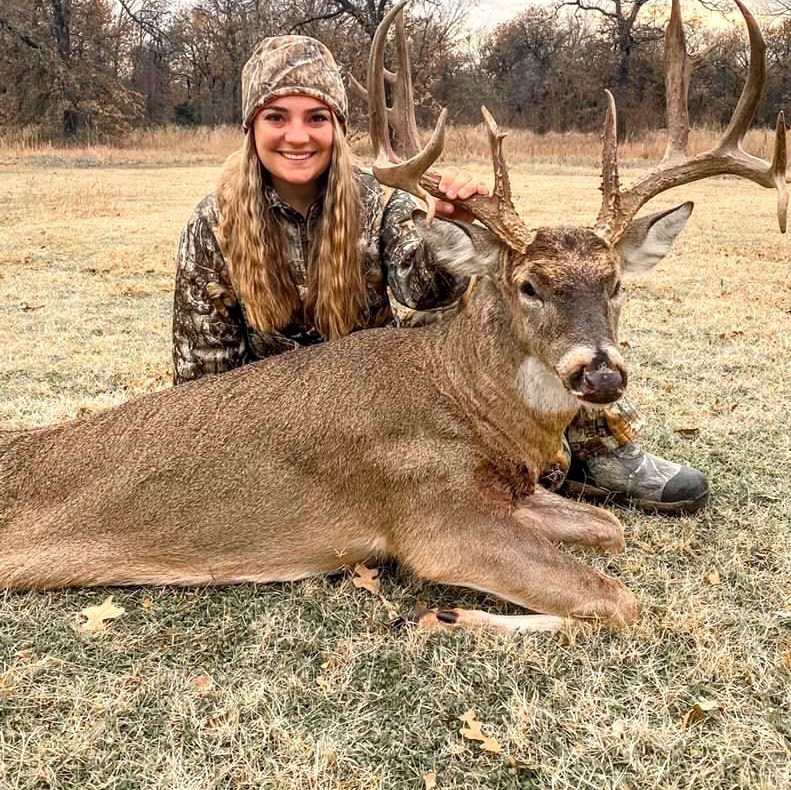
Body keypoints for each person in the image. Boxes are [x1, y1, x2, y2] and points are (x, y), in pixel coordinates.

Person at [172, 35, 709, 515]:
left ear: (338, 127)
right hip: (282, 413)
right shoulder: (212, 225)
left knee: (506, 299)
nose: (298, 135)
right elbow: (201, 379)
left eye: (317, 117)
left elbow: (425, 288)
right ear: (250, 127)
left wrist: (452, 220)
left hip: (376, 395)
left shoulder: (377, 202)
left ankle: (601, 448)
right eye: (276, 117)